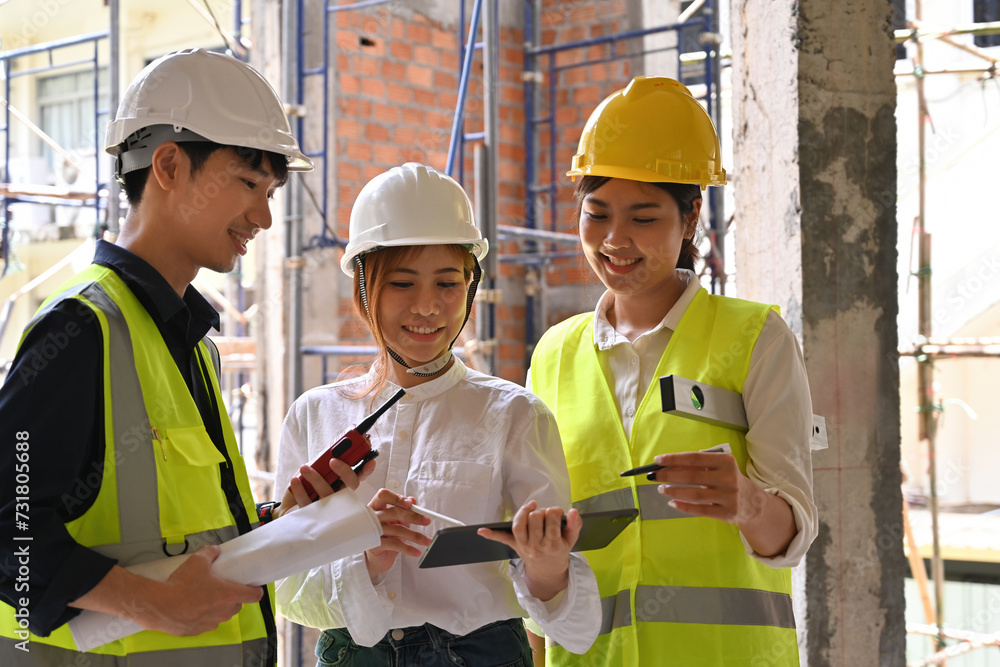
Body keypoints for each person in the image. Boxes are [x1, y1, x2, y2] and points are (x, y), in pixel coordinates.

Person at [0, 48, 363, 666]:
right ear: (168, 165)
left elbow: (182, 534)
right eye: (249, 183)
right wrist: (147, 602)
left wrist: (286, 519)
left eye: (270, 190)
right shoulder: (80, 331)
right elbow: (10, 533)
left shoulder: (191, 347)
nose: (264, 216)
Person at [526, 76, 819, 666]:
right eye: (597, 214)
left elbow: (792, 536)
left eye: (643, 217)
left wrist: (748, 502)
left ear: (690, 219)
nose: (614, 240)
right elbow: (537, 544)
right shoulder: (554, 353)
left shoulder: (755, 338)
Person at [274, 162, 601, 666]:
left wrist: (549, 568)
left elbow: (573, 627)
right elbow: (289, 593)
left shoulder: (515, 415)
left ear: (470, 287)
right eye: (402, 283)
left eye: (447, 284)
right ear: (363, 286)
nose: (427, 307)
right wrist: (368, 561)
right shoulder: (315, 416)